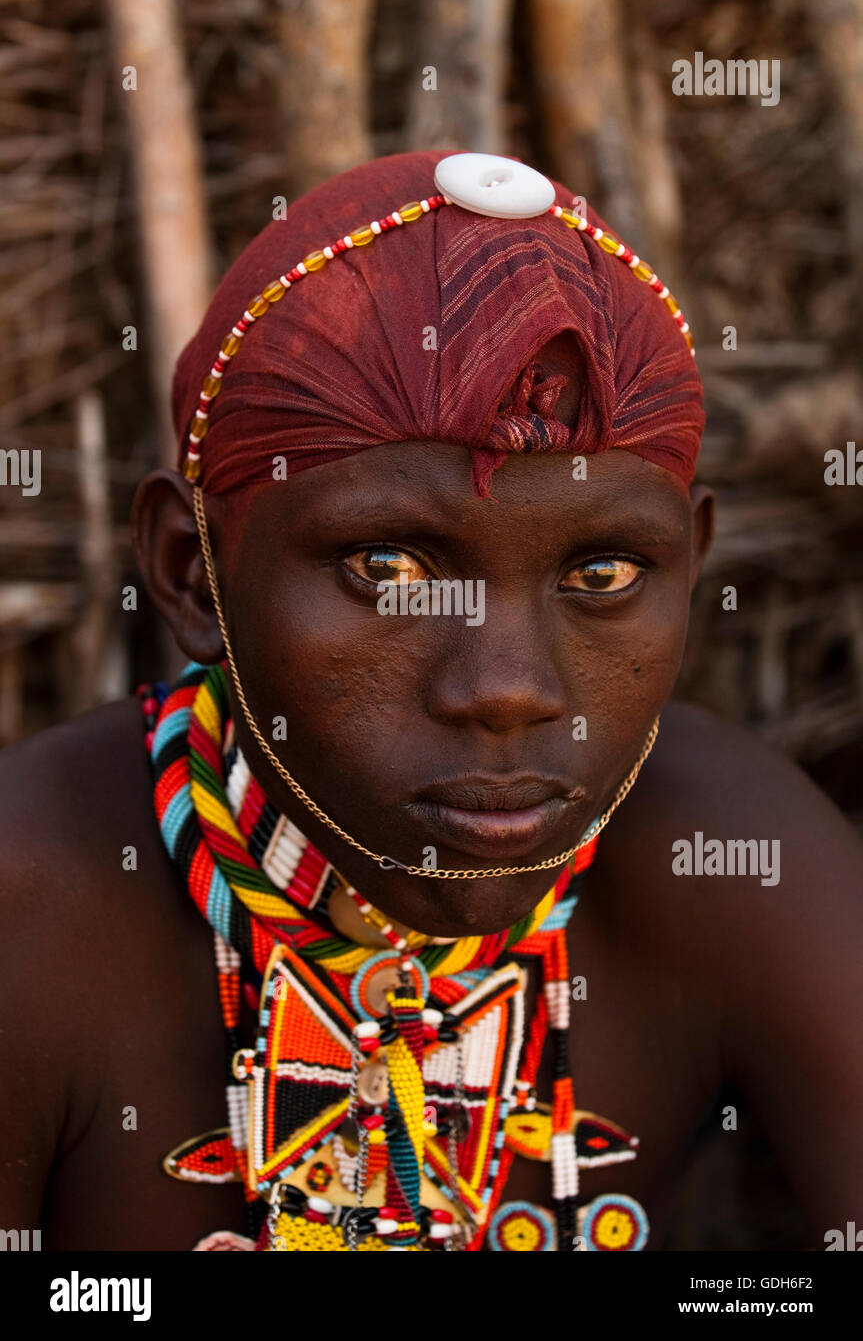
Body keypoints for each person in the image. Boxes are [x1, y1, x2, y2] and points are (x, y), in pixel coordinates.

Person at [1, 150, 861, 1253]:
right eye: (386, 569)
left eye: (599, 575)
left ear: (689, 566)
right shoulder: (35, 912)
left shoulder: (727, 859)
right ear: (188, 571)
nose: (506, 688)